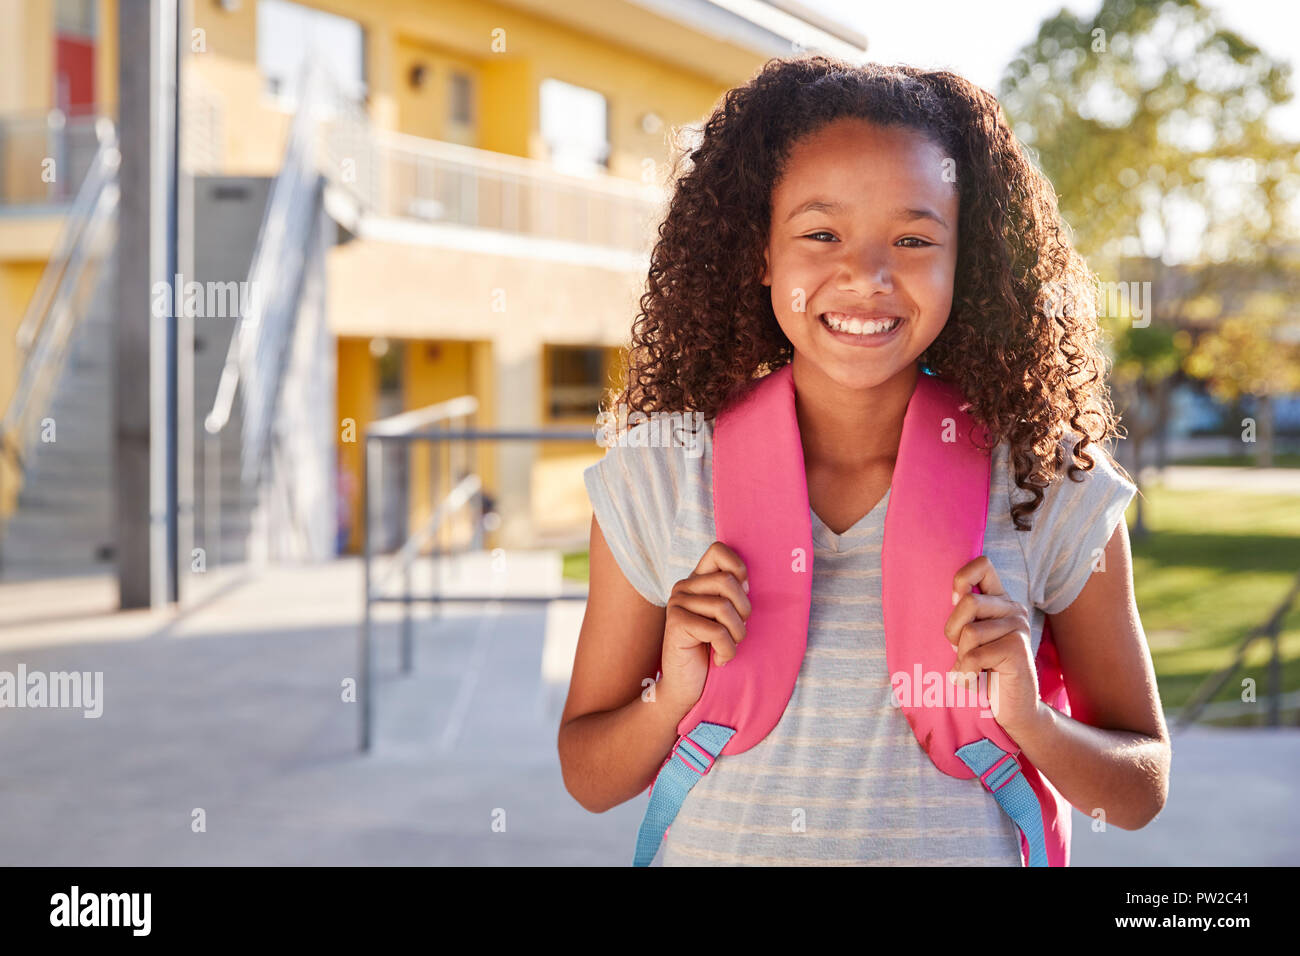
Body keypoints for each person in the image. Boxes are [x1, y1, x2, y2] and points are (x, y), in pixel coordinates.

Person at [557, 57, 1169, 865]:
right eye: (821, 234)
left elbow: (1138, 791)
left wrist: (1030, 720)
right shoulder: (659, 476)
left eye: (914, 239)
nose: (867, 276)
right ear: (761, 255)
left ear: (968, 263)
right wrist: (671, 696)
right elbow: (590, 778)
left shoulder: (1046, 484)